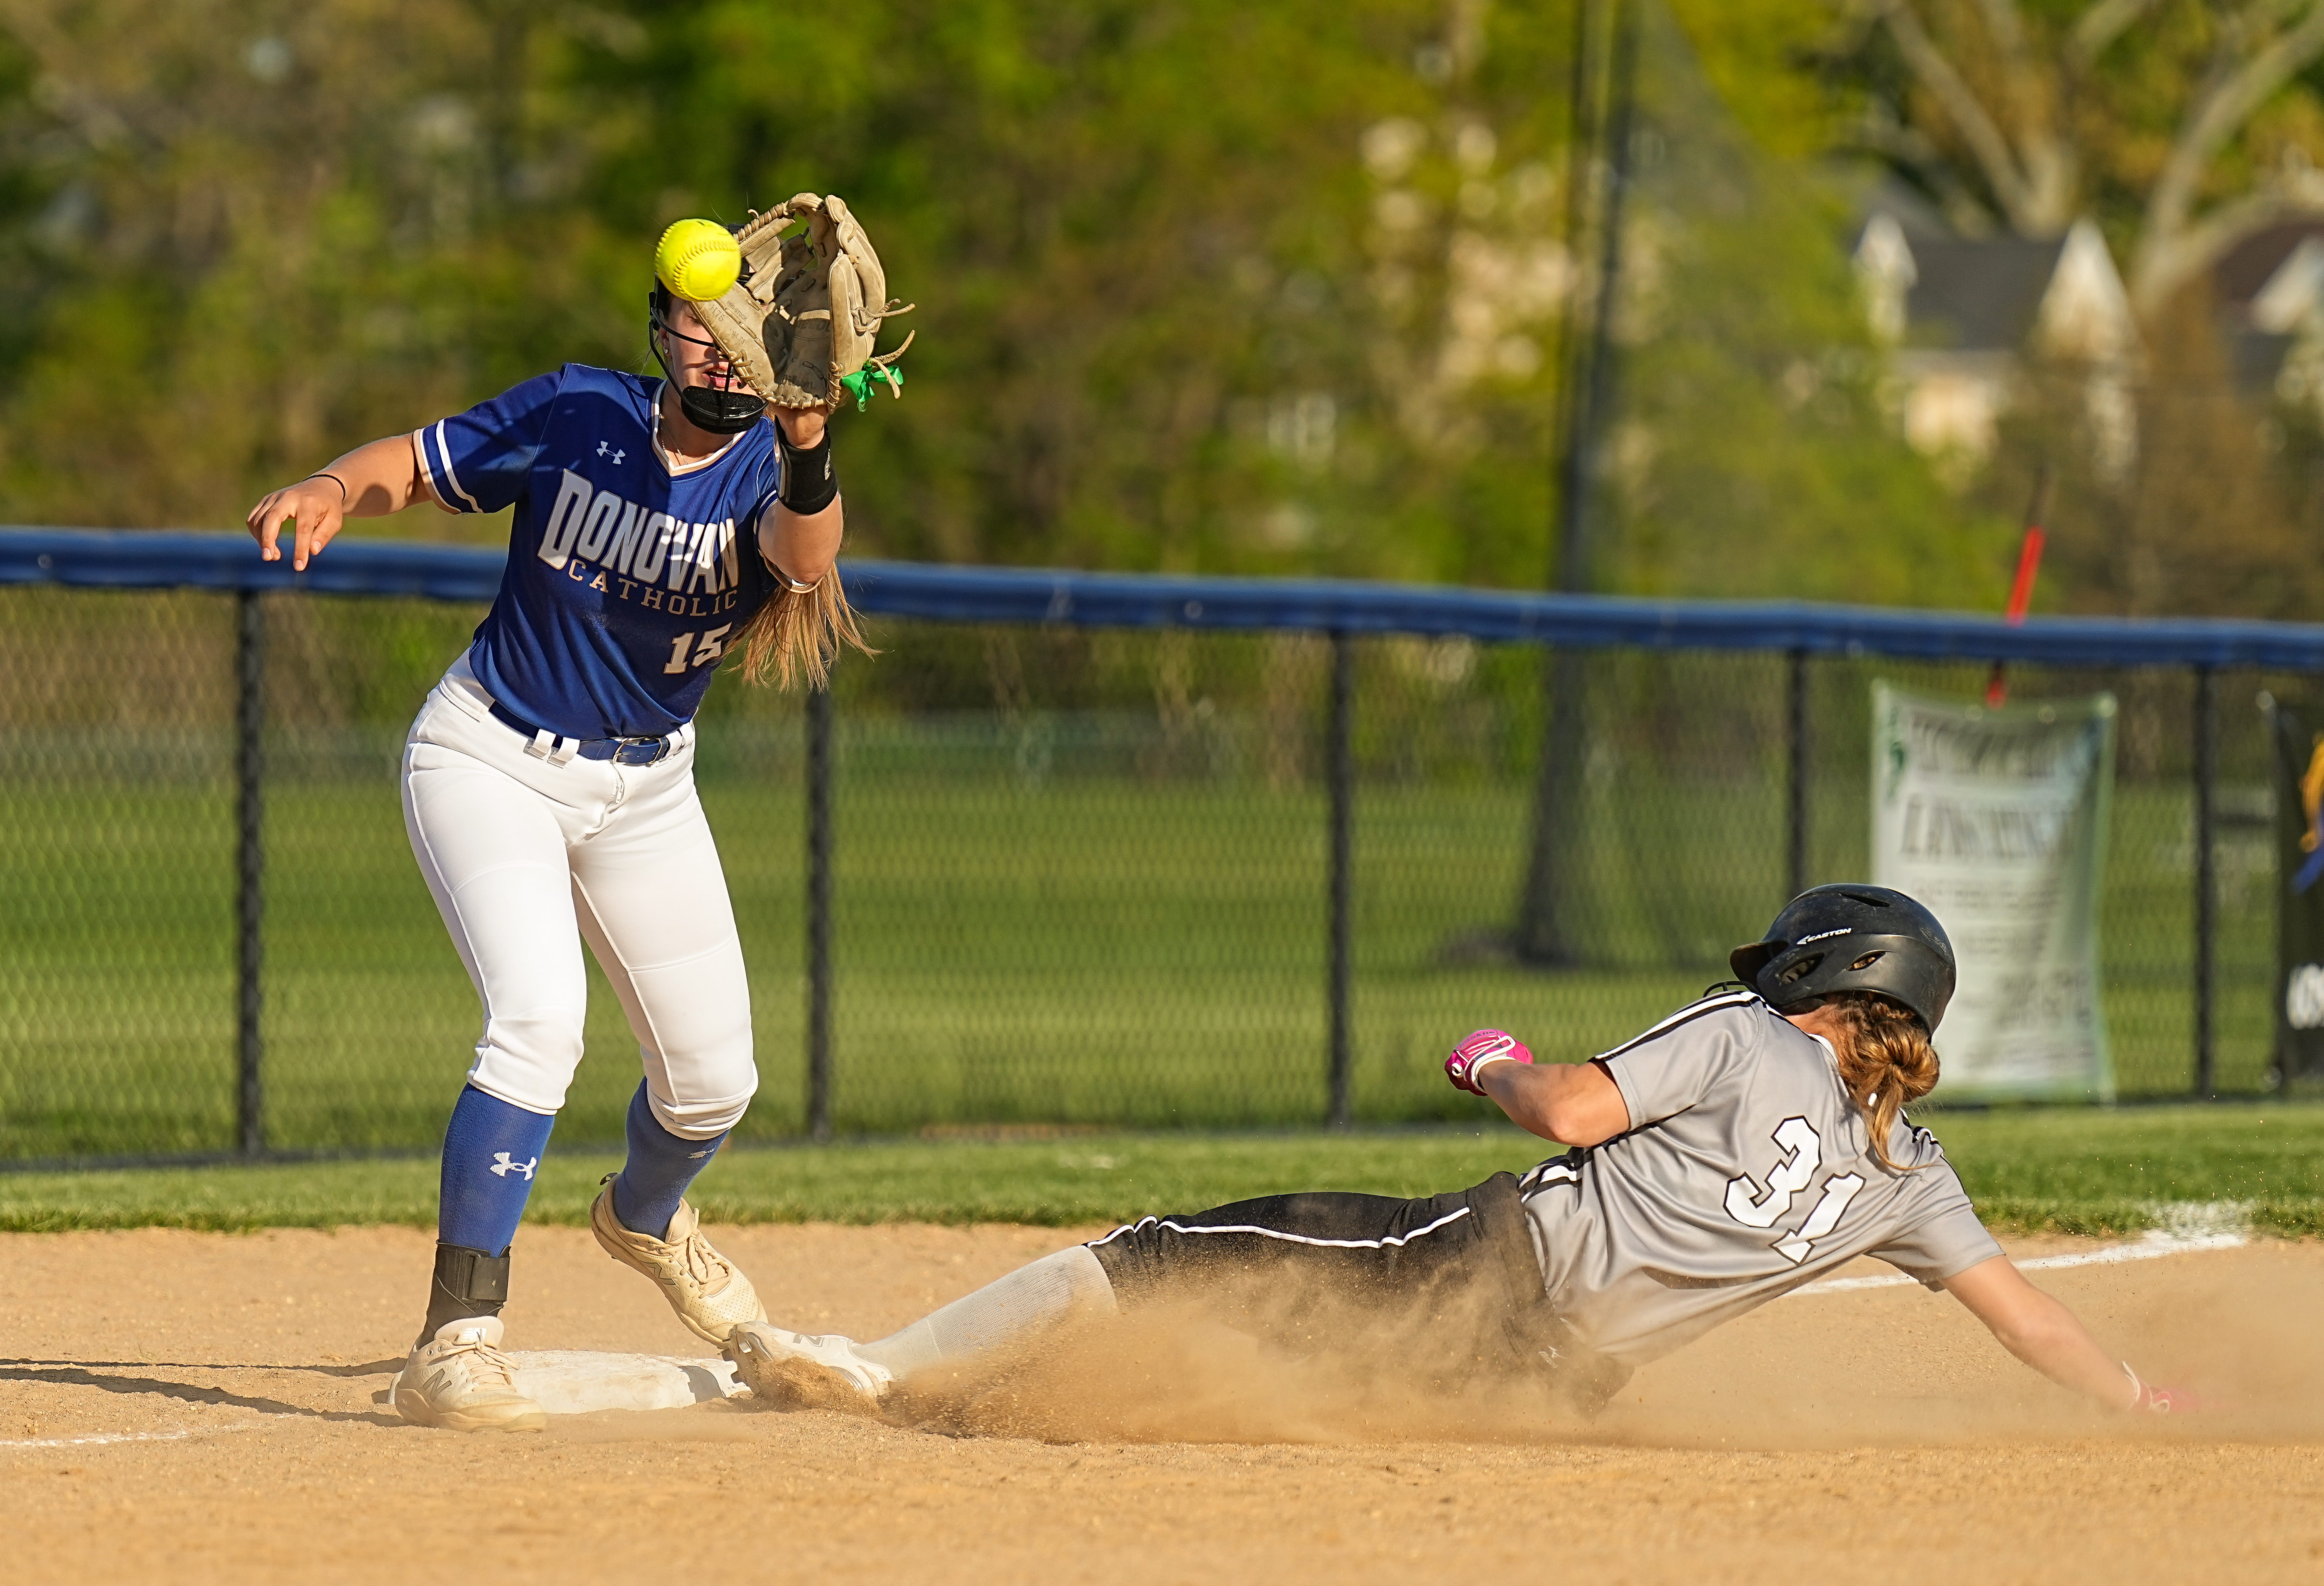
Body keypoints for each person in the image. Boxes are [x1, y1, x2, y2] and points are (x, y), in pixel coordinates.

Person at [725, 885, 2193, 1418]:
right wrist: (2133, 1394)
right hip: (1553, 1384)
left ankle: (876, 1366)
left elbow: (1568, 1114)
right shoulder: (1911, 1174)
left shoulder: (1748, 1033)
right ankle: (981, 1399)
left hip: (1483, 1265)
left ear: (1827, 974)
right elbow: (2030, 1316)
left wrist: (1492, 1061)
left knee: (1156, 1255)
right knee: (1276, 1363)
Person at [245, 223, 871, 1433]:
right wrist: (333, 483)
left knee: (713, 1084)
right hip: (491, 754)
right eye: (705, 316)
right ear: (663, 323)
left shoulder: (775, 471)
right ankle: (456, 1337)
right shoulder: (582, 412)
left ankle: (641, 1217)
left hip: (646, 791)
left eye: (752, 327)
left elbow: (805, 565)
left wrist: (808, 442)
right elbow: (419, 463)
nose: (727, 344)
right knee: (538, 1021)